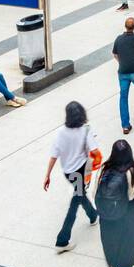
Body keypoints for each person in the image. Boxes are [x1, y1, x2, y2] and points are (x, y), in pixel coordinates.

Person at [44, 101, 101, 253]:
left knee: (80, 194)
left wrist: (47, 175)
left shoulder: (60, 132)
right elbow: (95, 151)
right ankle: (62, 240)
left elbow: (53, 156)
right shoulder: (85, 130)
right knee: (75, 204)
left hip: (68, 173)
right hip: (80, 171)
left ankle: (93, 215)